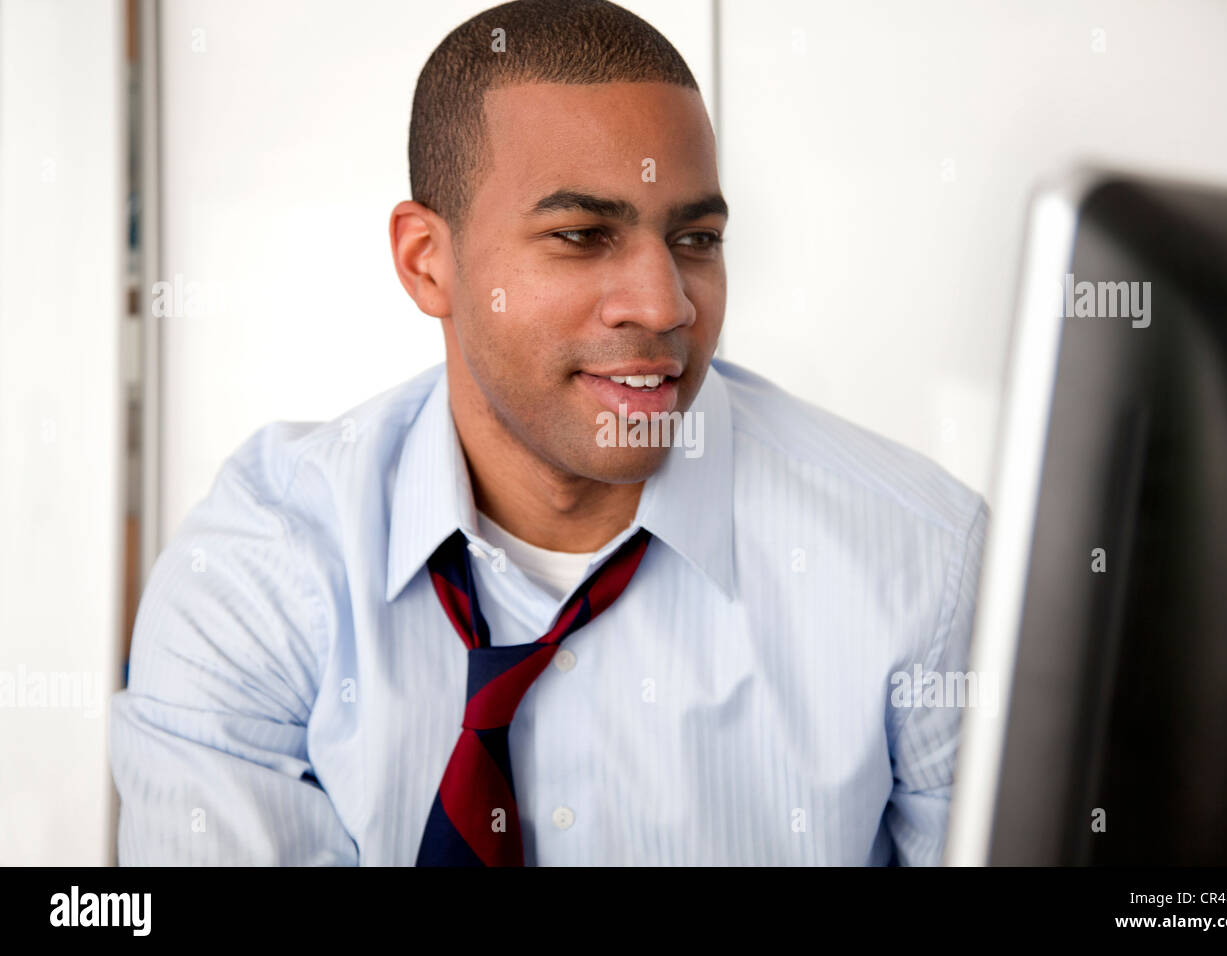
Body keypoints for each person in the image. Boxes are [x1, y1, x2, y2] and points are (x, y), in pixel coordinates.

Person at [110, 0, 988, 866]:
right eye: (580, 235)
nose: (665, 304)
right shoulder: (262, 565)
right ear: (428, 261)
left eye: (696, 238)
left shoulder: (924, 563)